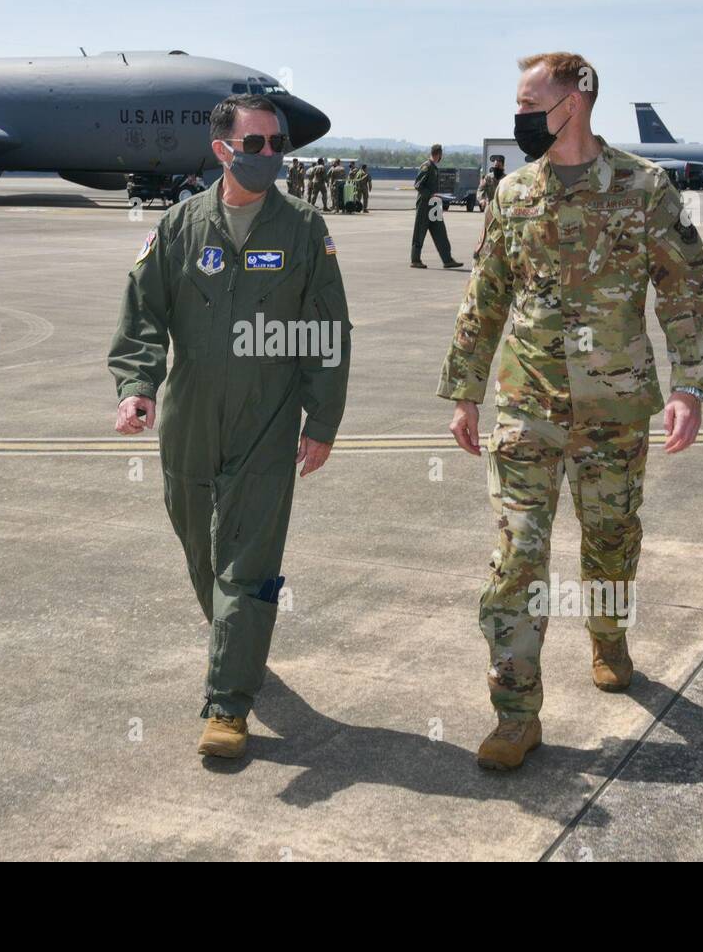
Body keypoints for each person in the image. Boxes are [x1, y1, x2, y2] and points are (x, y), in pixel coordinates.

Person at [438, 52, 703, 770]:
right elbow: (487, 294)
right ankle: (515, 713)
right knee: (515, 561)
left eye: (533, 104)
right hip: (526, 406)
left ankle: (607, 632)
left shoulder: (643, 187)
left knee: (612, 542)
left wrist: (690, 386)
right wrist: (466, 390)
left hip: (615, 409)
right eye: (519, 105)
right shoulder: (512, 193)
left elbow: (684, 289)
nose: (521, 117)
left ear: (577, 102)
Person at [108, 94, 351, 760]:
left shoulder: (304, 229)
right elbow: (142, 315)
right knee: (201, 555)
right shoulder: (181, 226)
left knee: (247, 564)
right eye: (256, 145)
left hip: (267, 420)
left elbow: (327, 329)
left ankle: (227, 703)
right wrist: (137, 387)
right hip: (188, 417)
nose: (270, 156)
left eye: (278, 145)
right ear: (222, 151)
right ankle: (235, 637)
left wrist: (322, 418)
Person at [411, 144, 463, 268]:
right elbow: (418, 185)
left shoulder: (434, 167)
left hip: (434, 205)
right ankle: (415, 260)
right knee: (420, 232)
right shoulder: (427, 166)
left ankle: (447, 260)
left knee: (440, 232)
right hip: (425, 204)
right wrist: (430, 194)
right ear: (439, 154)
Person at [474, 155, 506, 259]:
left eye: (499, 165)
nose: (496, 167)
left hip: (502, 210)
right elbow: (480, 190)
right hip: (490, 209)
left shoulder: (506, 179)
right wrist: (481, 199)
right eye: (495, 165)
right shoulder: (488, 178)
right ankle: (479, 251)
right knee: (486, 231)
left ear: (503, 166)